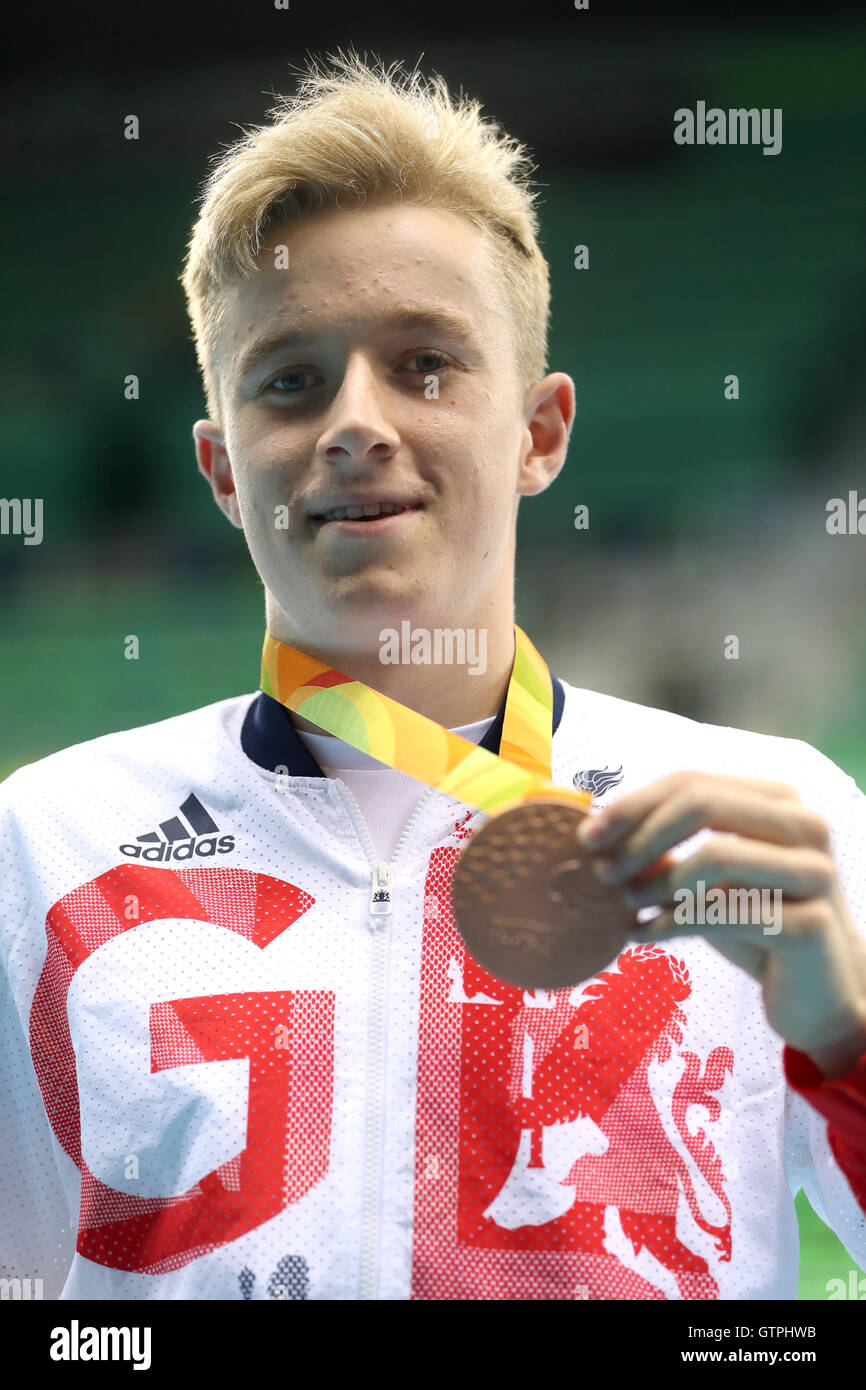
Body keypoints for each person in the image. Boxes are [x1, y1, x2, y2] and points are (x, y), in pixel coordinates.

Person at [1, 50, 865, 1302]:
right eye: (290, 381)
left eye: (425, 363)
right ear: (221, 467)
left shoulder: (782, 832)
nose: (356, 422)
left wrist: (845, 1043)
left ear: (540, 431)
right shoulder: (41, 850)